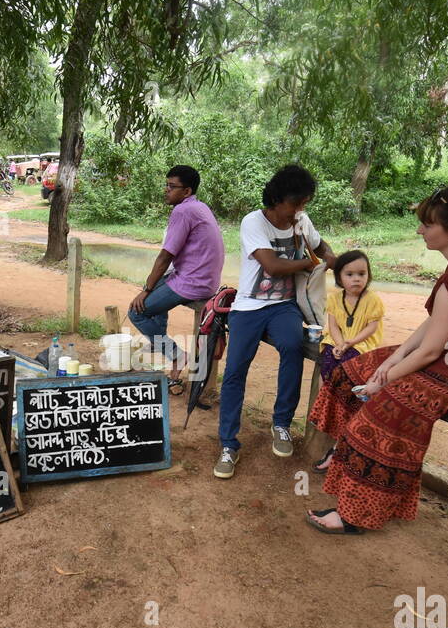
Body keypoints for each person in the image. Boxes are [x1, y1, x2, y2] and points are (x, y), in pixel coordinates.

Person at [305, 185, 448, 531]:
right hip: (437, 363)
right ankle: (343, 453)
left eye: (428, 225)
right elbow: (432, 326)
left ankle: (357, 515)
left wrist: (388, 376)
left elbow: (432, 349)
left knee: (371, 428)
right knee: (347, 374)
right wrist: (391, 359)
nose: (419, 230)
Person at [214, 164, 336, 479]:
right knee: (235, 371)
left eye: (304, 204)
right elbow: (270, 265)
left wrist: (339, 262)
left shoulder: (302, 221)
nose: (299, 211)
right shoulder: (253, 221)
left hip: (284, 306)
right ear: (277, 198)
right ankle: (228, 443)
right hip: (249, 306)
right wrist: (309, 263)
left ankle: (281, 423)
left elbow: (322, 247)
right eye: (295, 204)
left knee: (294, 346)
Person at [128, 165, 225, 390]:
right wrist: (149, 286)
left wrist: (146, 289)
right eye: (167, 185)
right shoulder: (199, 207)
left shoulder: (182, 211)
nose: (166, 190)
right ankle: (169, 355)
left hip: (193, 282)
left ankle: (176, 356)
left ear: (187, 191)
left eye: (172, 187)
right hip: (202, 276)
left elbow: (165, 256)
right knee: (153, 293)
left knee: (136, 311)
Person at [319, 250, 384, 381]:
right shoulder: (334, 299)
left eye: (361, 274)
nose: (356, 278)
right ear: (339, 278)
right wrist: (340, 344)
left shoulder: (373, 300)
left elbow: (372, 328)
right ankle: (324, 396)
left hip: (361, 342)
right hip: (338, 339)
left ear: (368, 275)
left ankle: (345, 398)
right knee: (327, 361)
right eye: (349, 274)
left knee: (348, 364)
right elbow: (333, 326)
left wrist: (350, 343)